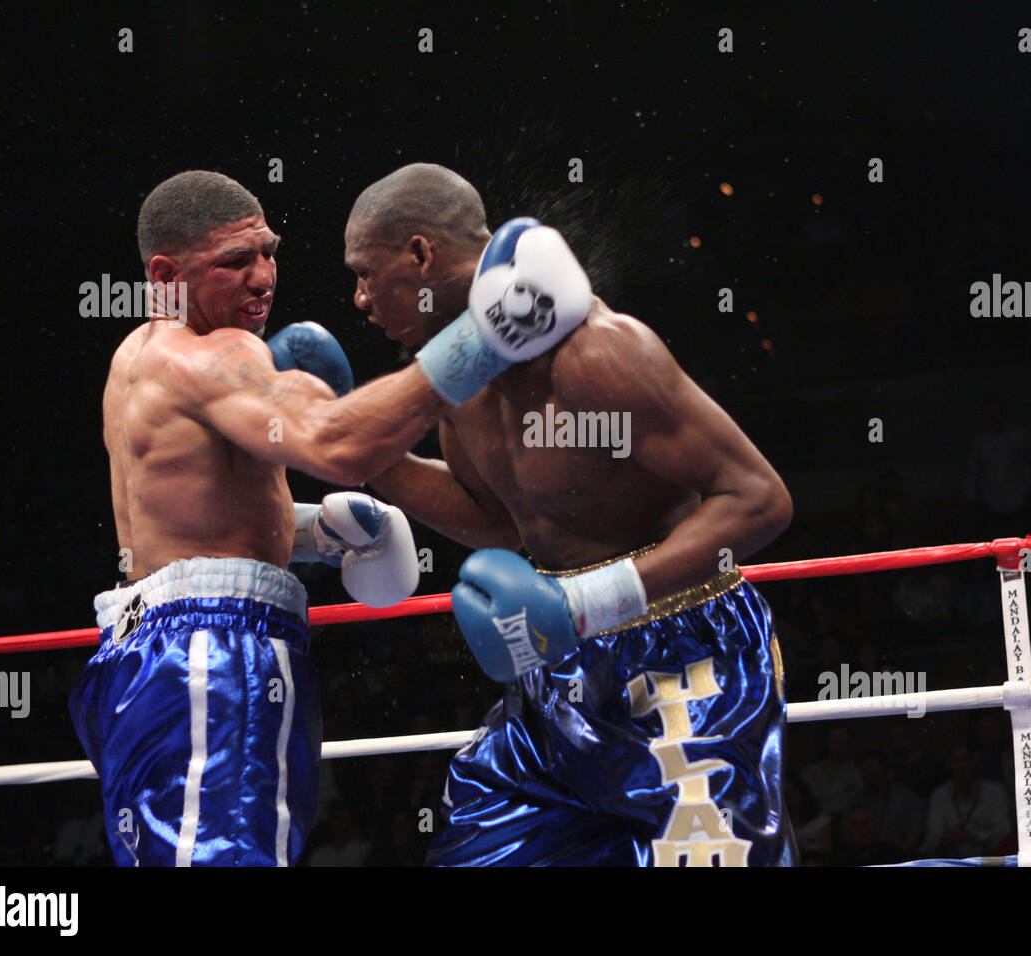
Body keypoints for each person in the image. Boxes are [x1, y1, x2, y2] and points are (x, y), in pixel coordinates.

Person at [70, 169, 586, 866]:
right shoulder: (219, 354)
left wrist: (316, 532)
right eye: (234, 261)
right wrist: (489, 337)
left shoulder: (134, 358)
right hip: (215, 658)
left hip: (143, 657)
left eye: (268, 251)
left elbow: (187, 525)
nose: (263, 277)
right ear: (165, 273)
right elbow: (338, 446)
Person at [353, 163, 796, 866]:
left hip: (685, 656)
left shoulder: (599, 354)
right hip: (558, 669)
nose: (360, 299)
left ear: (419, 256)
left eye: (366, 273)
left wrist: (587, 600)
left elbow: (759, 499)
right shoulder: (455, 386)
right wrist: (368, 459)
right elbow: (505, 522)